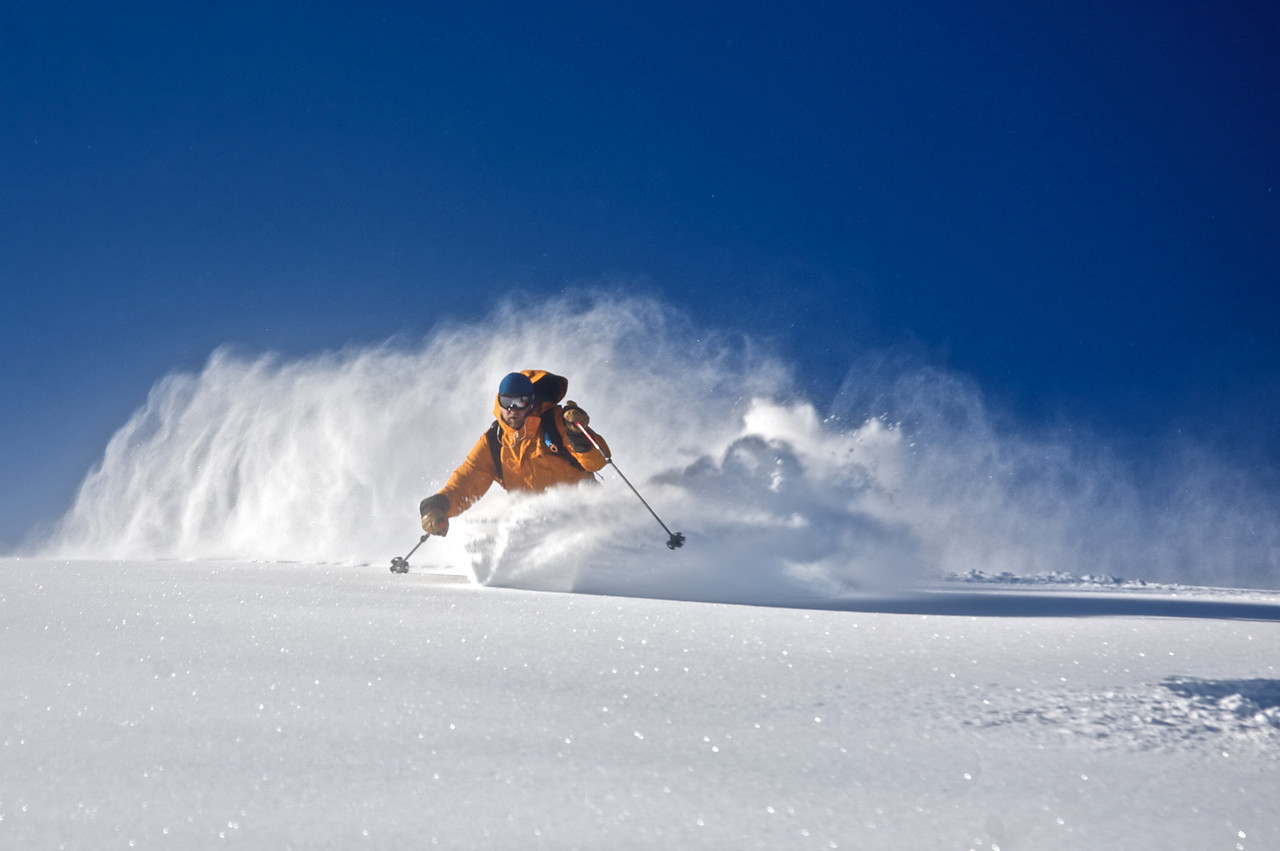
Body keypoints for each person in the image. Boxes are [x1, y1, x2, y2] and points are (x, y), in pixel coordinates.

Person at [419, 370, 610, 537]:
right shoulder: (494, 442)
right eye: (507, 401)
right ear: (499, 401)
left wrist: (578, 436)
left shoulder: (556, 423)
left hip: (587, 515)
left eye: (521, 401)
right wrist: (440, 504)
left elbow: (597, 462)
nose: (513, 409)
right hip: (539, 527)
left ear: (531, 401)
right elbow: (467, 481)